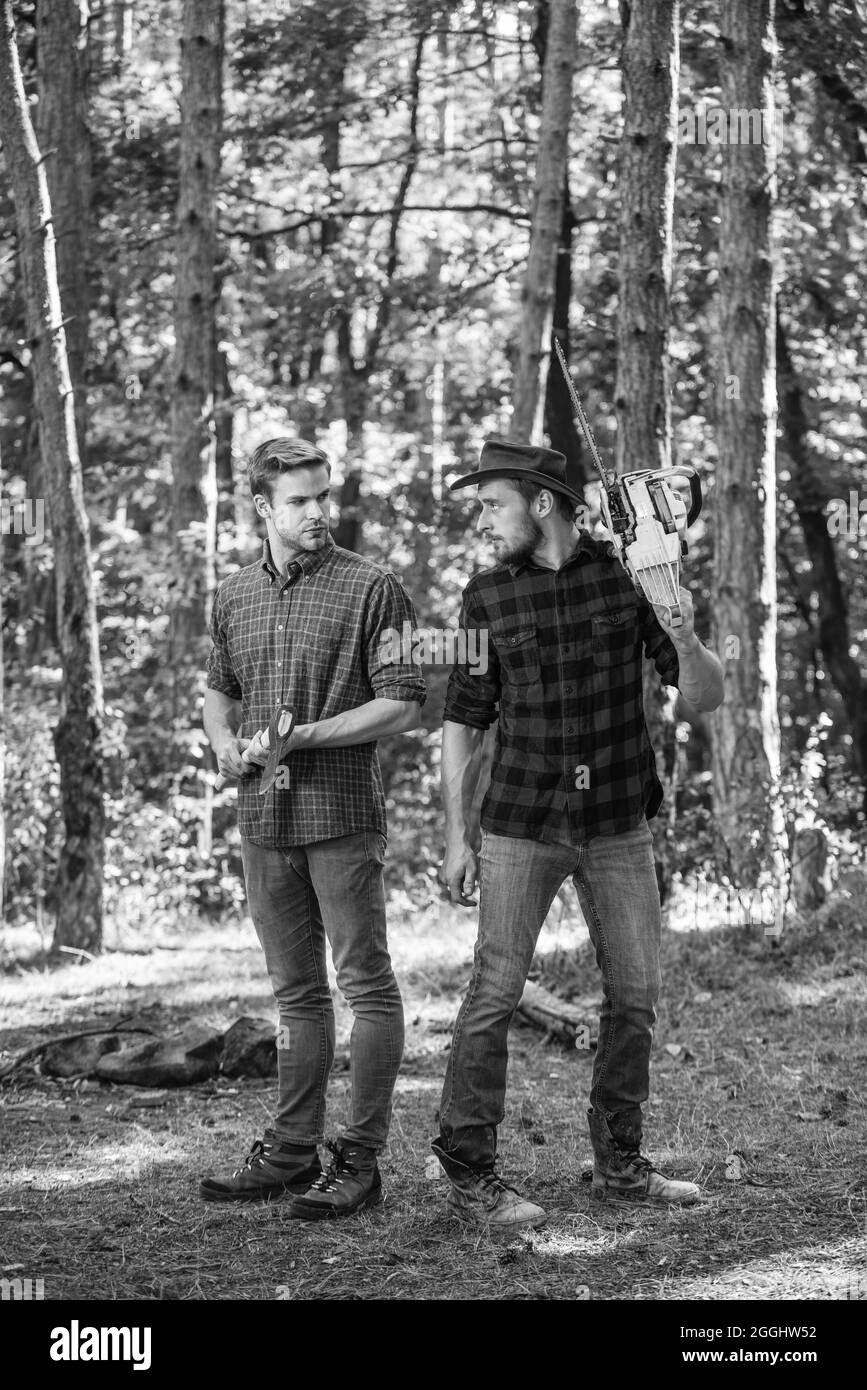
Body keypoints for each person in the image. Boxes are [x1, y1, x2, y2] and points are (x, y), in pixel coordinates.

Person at [432, 436, 724, 1232]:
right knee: (492, 995)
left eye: (492, 502)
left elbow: (704, 697)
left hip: (617, 824)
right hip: (520, 825)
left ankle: (620, 1166)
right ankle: (469, 1172)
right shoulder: (485, 595)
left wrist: (683, 631)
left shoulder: (630, 574)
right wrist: (457, 837)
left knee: (635, 999)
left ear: (542, 501)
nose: (483, 519)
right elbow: (461, 722)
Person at [201, 437, 425, 1220]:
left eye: (324, 496)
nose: (319, 512)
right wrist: (227, 744)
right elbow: (218, 691)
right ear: (263, 508)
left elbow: (404, 703)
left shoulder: (373, 588)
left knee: (365, 985)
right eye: (300, 500)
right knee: (295, 994)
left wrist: (309, 736)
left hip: (338, 816)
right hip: (263, 817)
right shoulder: (230, 594)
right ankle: (292, 1153)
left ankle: (358, 1159)